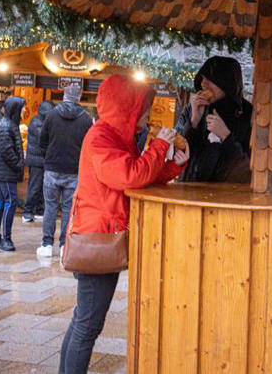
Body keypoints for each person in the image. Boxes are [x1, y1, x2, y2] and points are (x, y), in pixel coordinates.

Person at [58, 74, 188, 373]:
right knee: (87, 324)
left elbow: (138, 175)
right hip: (97, 237)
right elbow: (128, 176)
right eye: (142, 108)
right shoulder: (101, 136)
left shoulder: (118, 136)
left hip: (104, 233)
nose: (146, 114)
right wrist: (158, 146)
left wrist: (171, 165)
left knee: (83, 321)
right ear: (126, 107)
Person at [176, 56, 253, 183]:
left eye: (210, 80)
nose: (203, 84)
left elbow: (246, 169)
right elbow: (176, 152)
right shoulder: (193, 107)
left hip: (226, 197)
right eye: (202, 79)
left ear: (226, 82)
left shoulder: (247, 113)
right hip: (189, 190)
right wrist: (193, 122)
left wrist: (226, 136)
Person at [36, 85, 92, 258]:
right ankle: (63, 245)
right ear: (79, 97)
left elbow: (42, 141)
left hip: (52, 168)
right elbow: (88, 146)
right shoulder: (86, 119)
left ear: (64, 95)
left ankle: (46, 244)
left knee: (50, 207)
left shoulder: (51, 115)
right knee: (68, 208)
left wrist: (49, 157)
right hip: (74, 171)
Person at [0, 96, 26, 251]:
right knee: (10, 201)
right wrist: (18, 164)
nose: (24, 110)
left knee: (1, 202)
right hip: (6, 172)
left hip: (3, 171)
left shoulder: (8, 124)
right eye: (22, 107)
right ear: (15, 108)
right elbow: (7, 150)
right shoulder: (7, 126)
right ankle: (5, 239)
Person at [23, 101, 54, 223]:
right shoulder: (37, 123)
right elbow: (45, 139)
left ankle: (39, 211)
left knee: (41, 187)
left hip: (41, 160)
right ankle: (27, 212)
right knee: (34, 187)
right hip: (37, 161)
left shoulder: (41, 122)